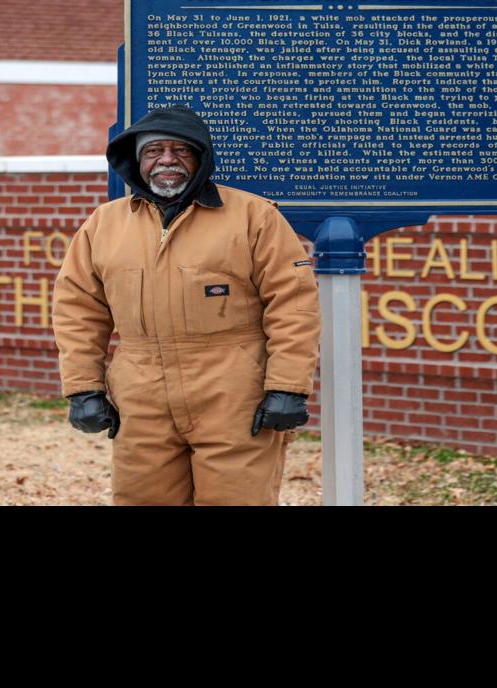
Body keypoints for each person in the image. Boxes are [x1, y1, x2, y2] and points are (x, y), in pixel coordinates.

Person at [53, 105, 320, 505]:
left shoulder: (254, 217)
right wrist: (83, 388)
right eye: (153, 151)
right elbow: (79, 310)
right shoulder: (103, 225)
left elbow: (293, 304)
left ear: (201, 158)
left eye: (180, 150)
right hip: (140, 395)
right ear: (136, 161)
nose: (166, 160)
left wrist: (287, 386)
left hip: (233, 393)